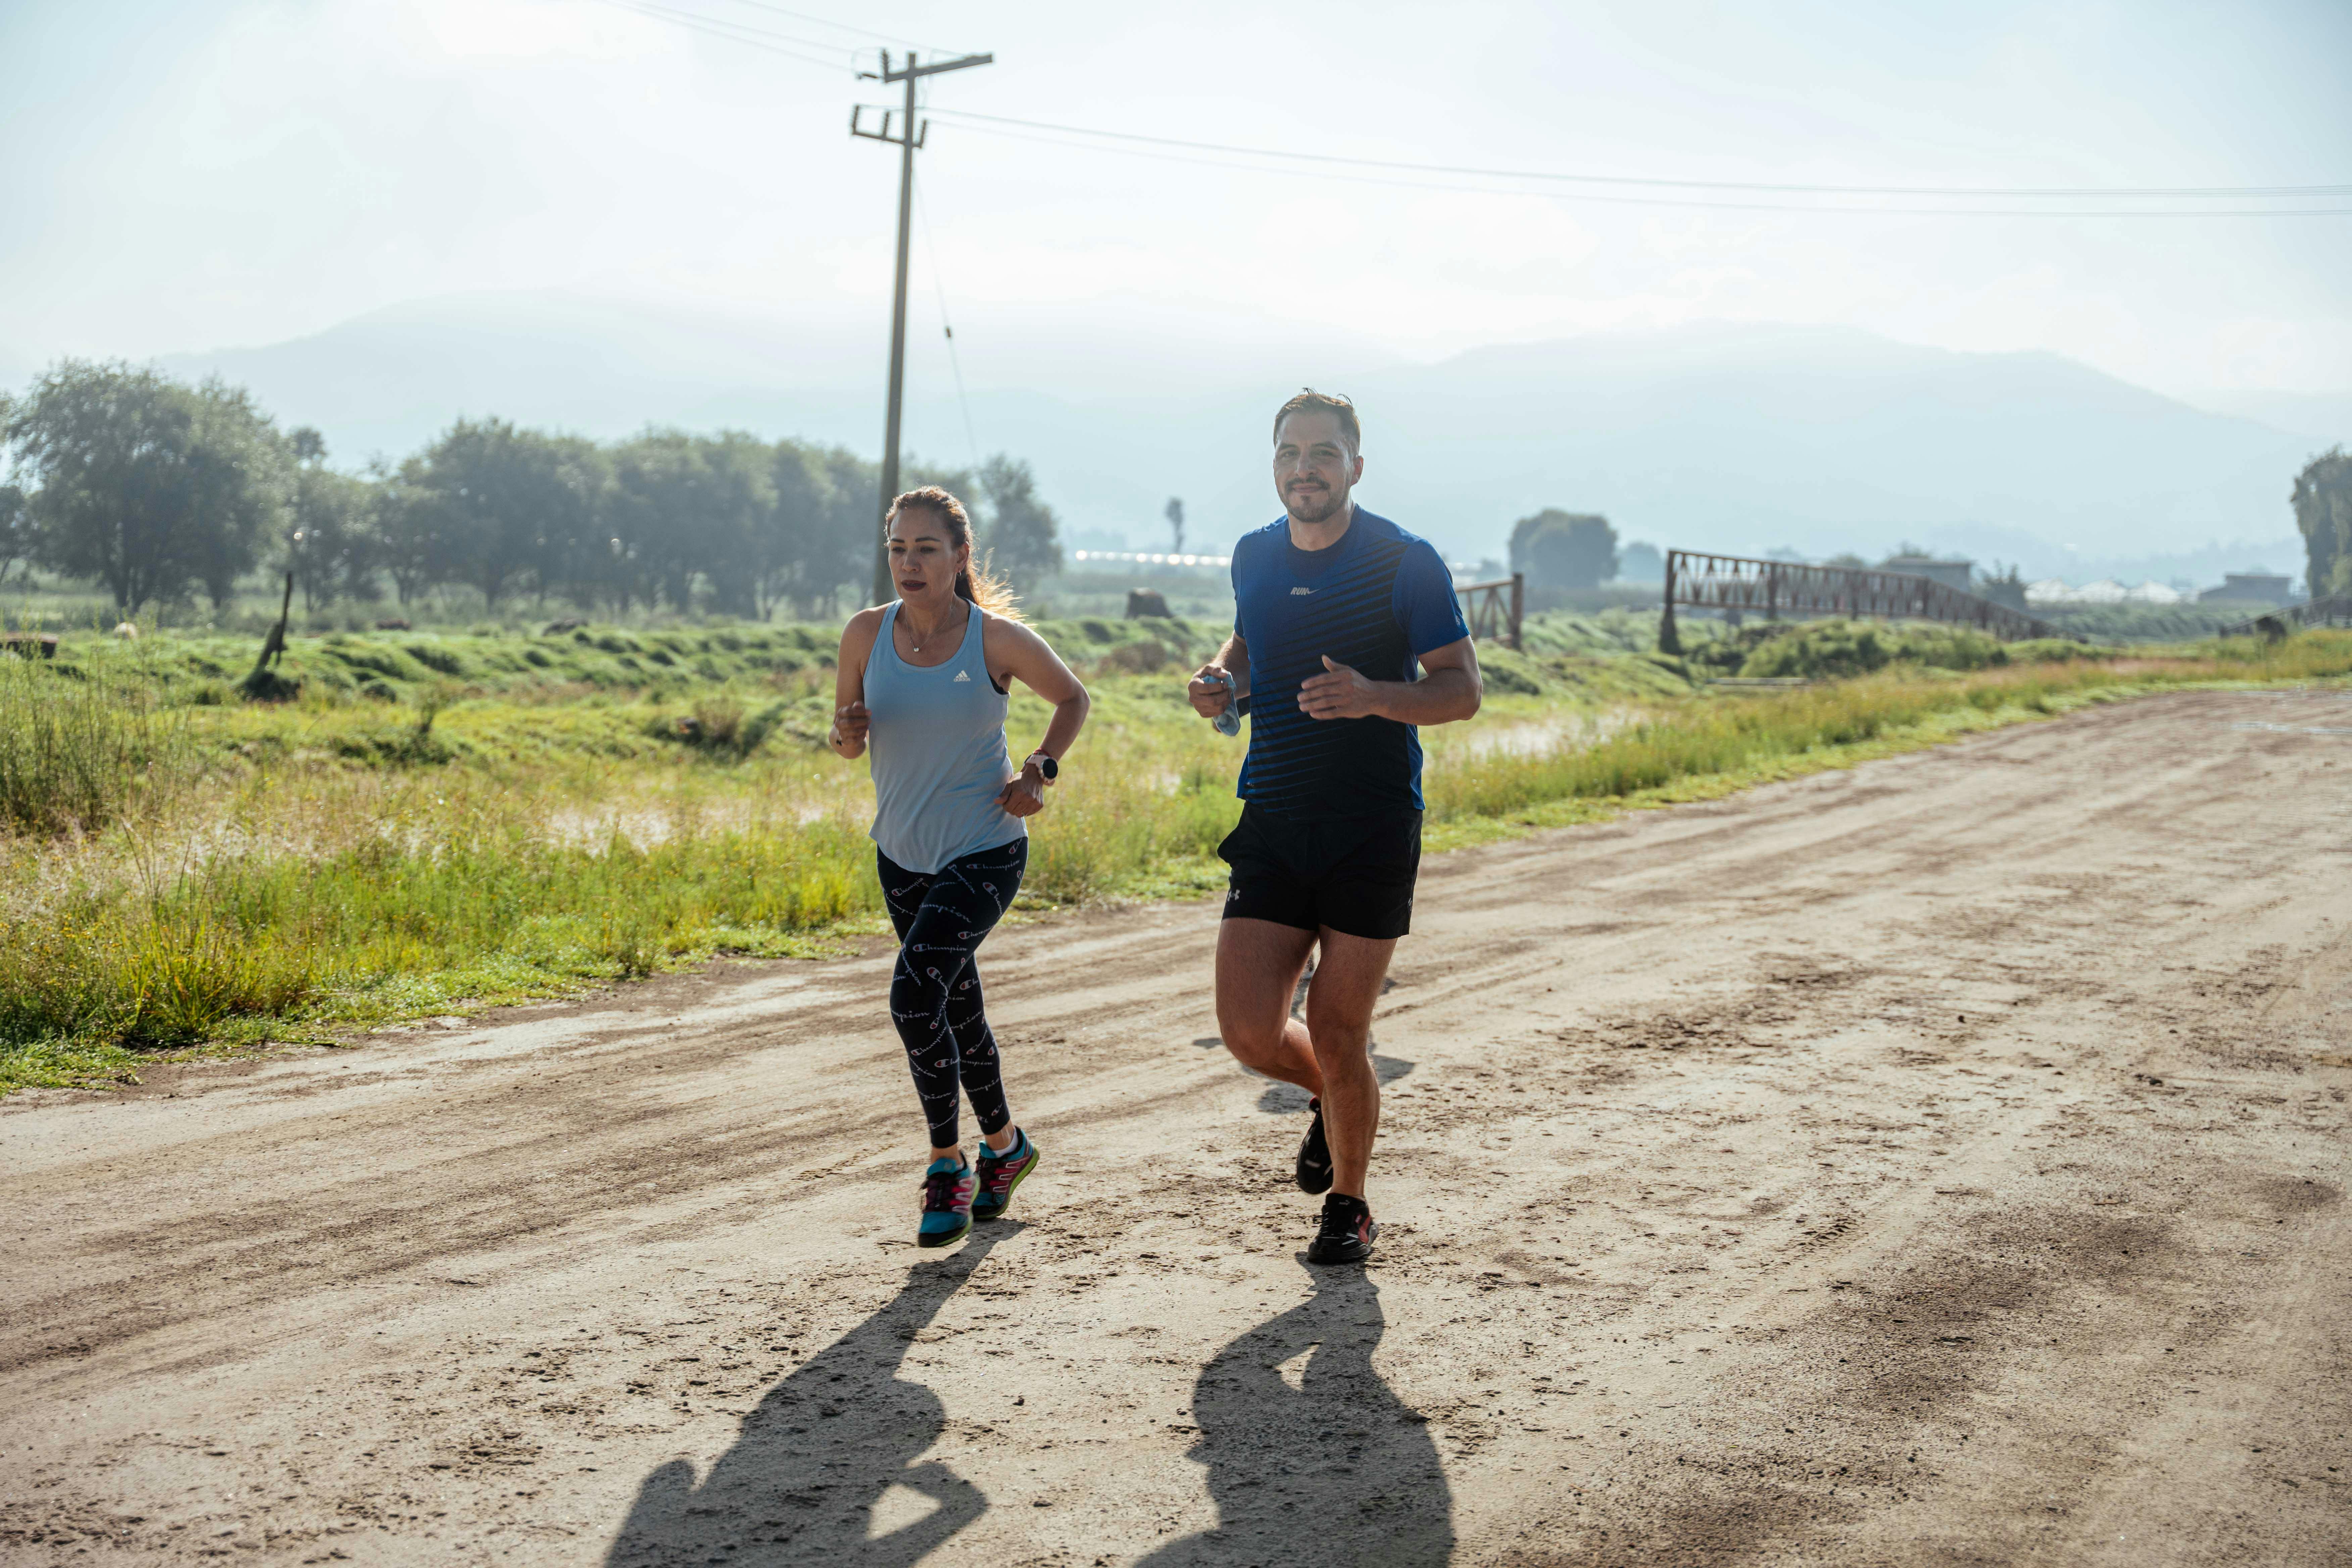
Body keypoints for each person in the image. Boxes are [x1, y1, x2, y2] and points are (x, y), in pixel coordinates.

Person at [1188, 391, 1481, 1265]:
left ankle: (1349, 1203)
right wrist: (1220, 683)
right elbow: (1250, 644)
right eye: (1289, 453)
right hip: (1273, 815)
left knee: (1340, 1025)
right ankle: (1336, 1097)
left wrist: (1373, 697)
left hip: (1373, 826)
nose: (1303, 469)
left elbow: (1461, 689)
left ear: (1356, 465)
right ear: (1274, 464)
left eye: (1322, 453)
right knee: (1248, 1030)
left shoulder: (1405, 562)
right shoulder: (1253, 555)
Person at [830, 486, 1090, 1248]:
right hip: (901, 853)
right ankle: (1007, 1147)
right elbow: (846, 744)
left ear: (960, 556)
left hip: (985, 844)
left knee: (915, 996)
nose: (909, 562)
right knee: (958, 1006)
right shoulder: (864, 633)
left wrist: (1039, 770)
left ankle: (948, 1163)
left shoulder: (996, 640)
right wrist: (847, 731)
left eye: (927, 548)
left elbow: (1073, 698)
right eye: (898, 549)